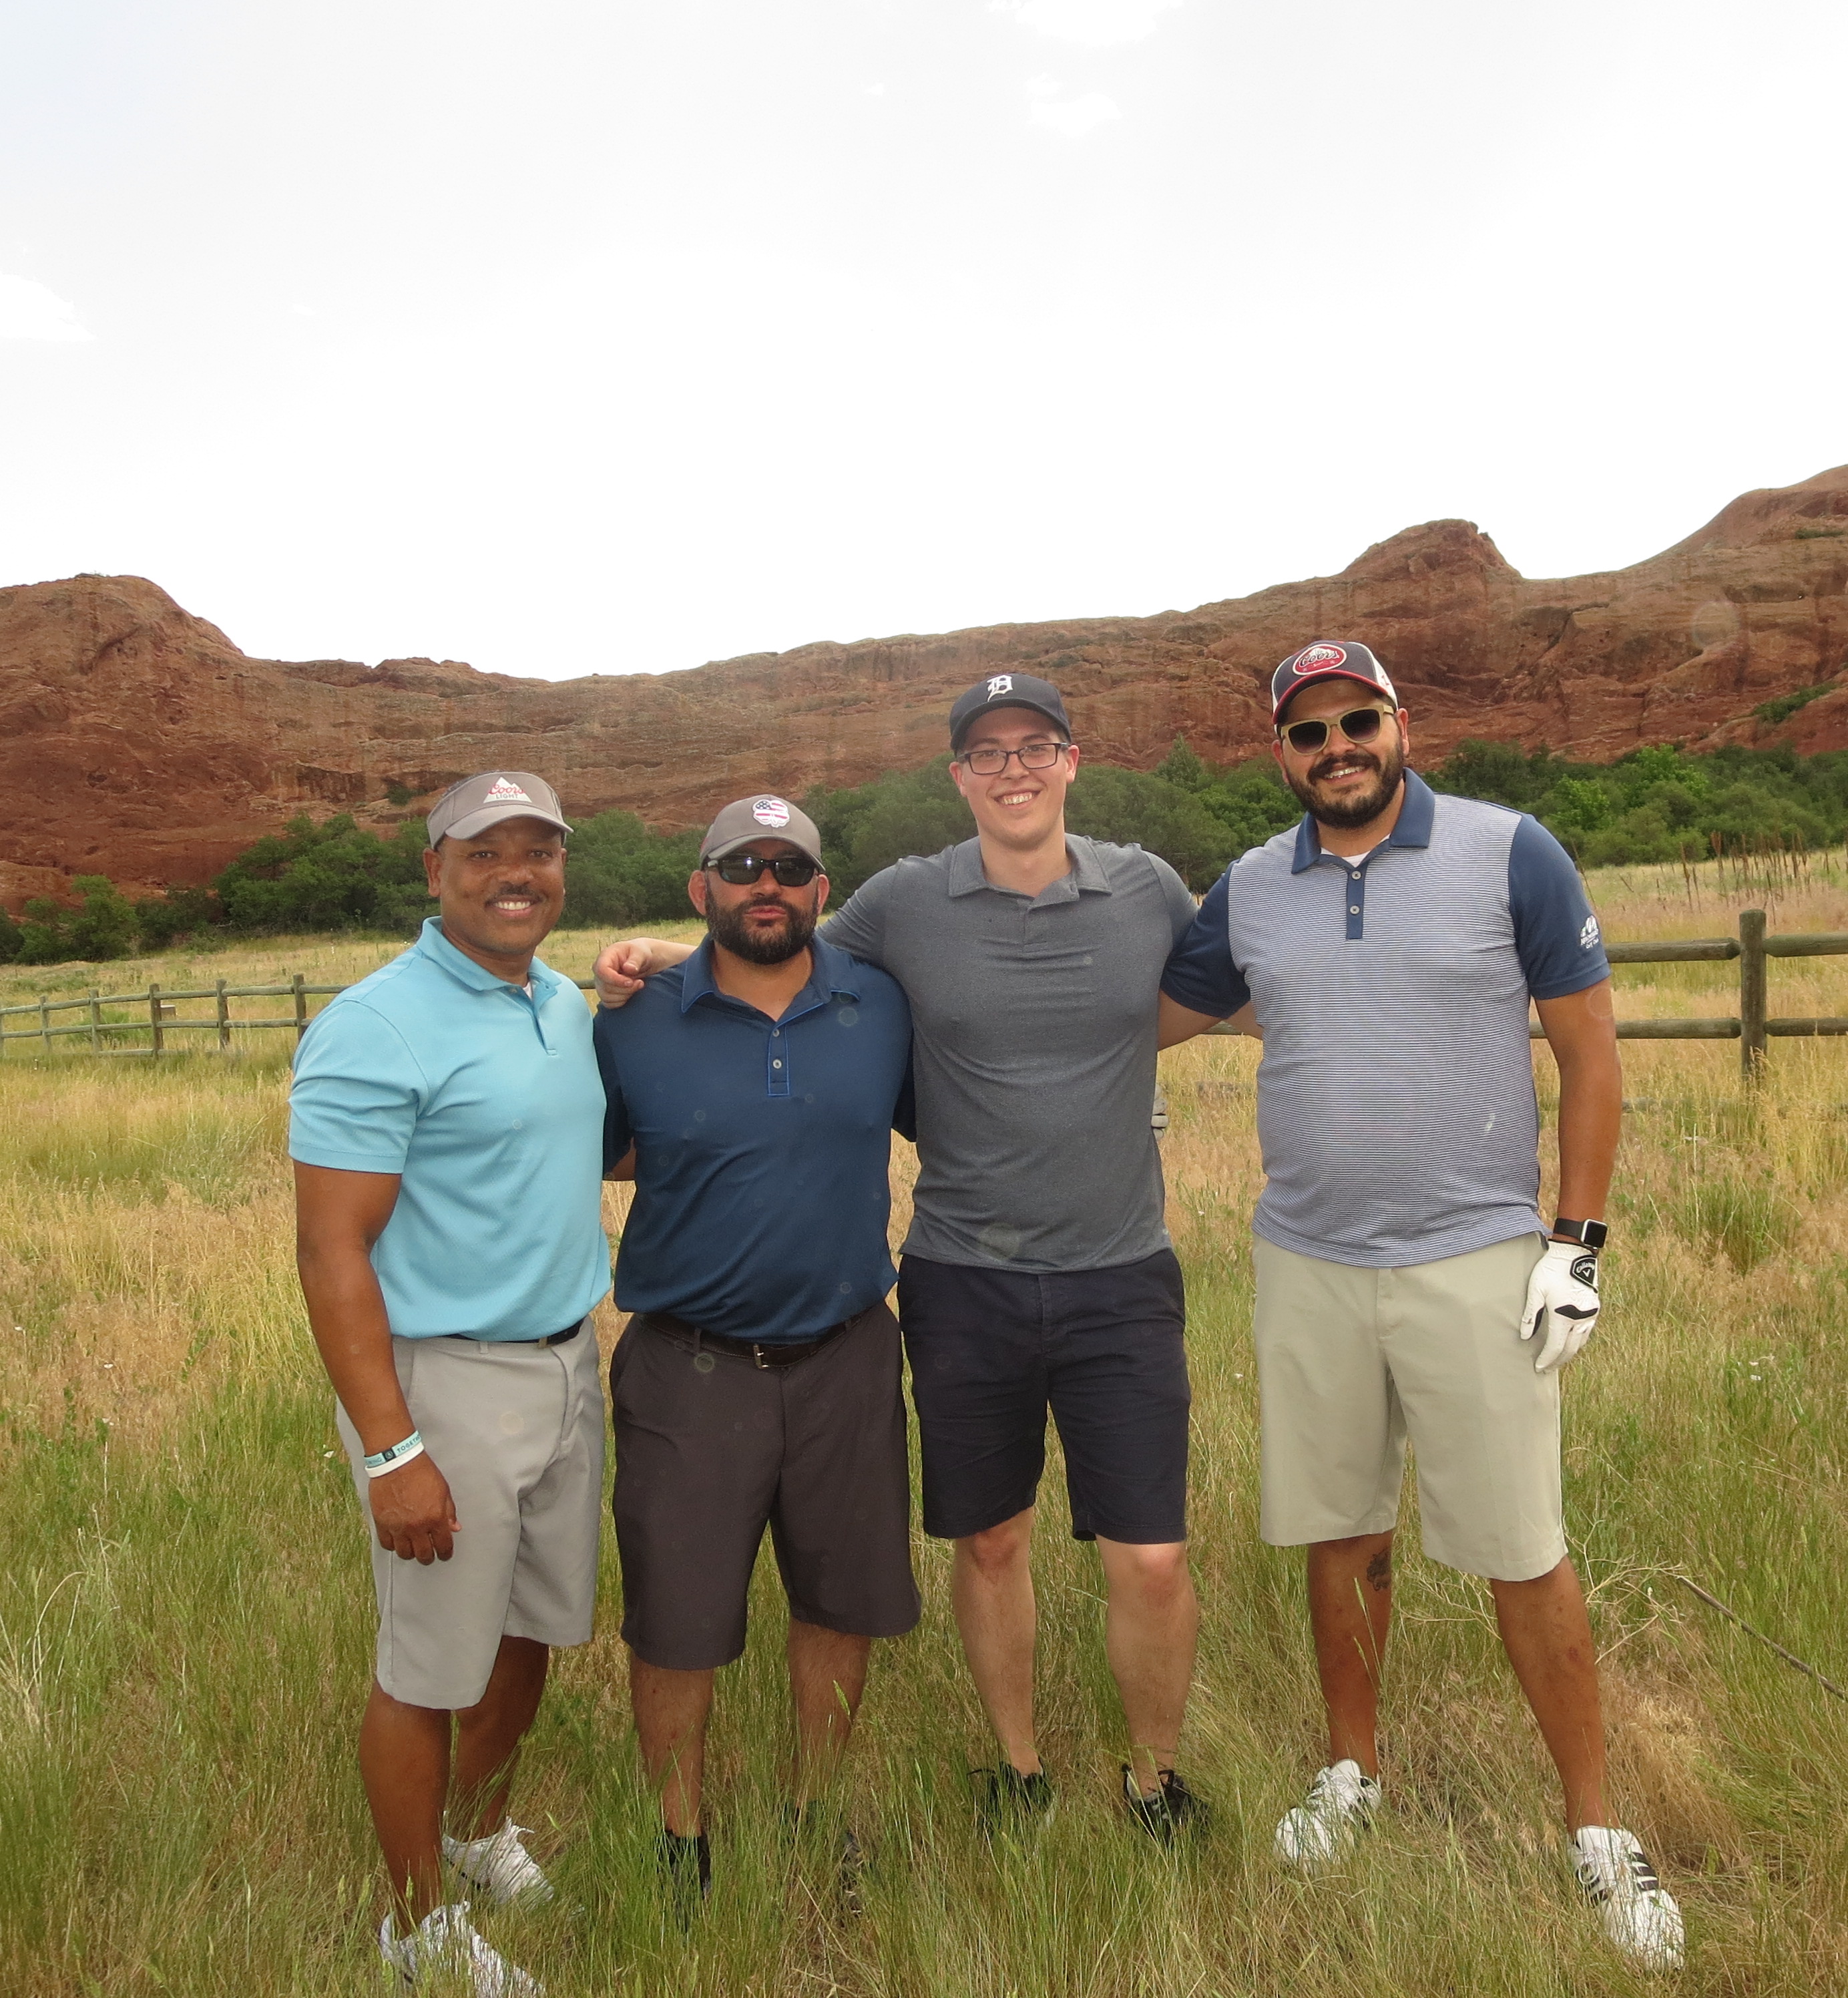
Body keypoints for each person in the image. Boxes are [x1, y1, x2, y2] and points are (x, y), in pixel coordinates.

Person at [596, 674, 1208, 1836]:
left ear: (1073, 760)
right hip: (946, 1280)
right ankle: (1003, 1776)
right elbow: (768, 961)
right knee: (975, 1542)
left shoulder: (1146, 888)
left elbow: (1233, 984)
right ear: (959, 777)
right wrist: (654, 961)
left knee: (1145, 1559)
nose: (1014, 768)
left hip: (1095, 1275)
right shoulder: (902, 904)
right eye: (989, 753)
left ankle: (1152, 1782)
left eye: (1036, 746)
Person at [1156, 640, 1684, 1969]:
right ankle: (1352, 1772)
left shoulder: (1510, 851)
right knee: (1338, 1527)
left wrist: (1577, 1244)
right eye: (1305, 730)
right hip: (1307, 1256)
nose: (1334, 745)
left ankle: (1594, 1829)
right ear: (1276, 751)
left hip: (1474, 1251)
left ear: (1399, 722)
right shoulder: (1246, 891)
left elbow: (1586, 1050)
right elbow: (1133, 1010)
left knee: (1520, 1544)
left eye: (1355, 719)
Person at [291, 771, 609, 1998]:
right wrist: (390, 1448)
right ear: (434, 869)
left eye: (539, 849)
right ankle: (414, 1927)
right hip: (445, 1384)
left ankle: (478, 1838)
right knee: (427, 1666)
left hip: (568, 1363)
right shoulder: (378, 1025)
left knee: (529, 1633)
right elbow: (332, 1253)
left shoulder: (562, 1003)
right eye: (485, 852)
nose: (514, 872)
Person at [593, 795, 919, 1906]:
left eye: (790, 866)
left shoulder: (879, 1002)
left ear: (824, 889)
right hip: (688, 1366)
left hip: (849, 1355)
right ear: (703, 889)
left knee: (838, 1602)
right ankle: (680, 1840)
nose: (765, 883)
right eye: (742, 866)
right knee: (677, 1617)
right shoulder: (634, 1017)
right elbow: (592, 1153)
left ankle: (813, 1815)